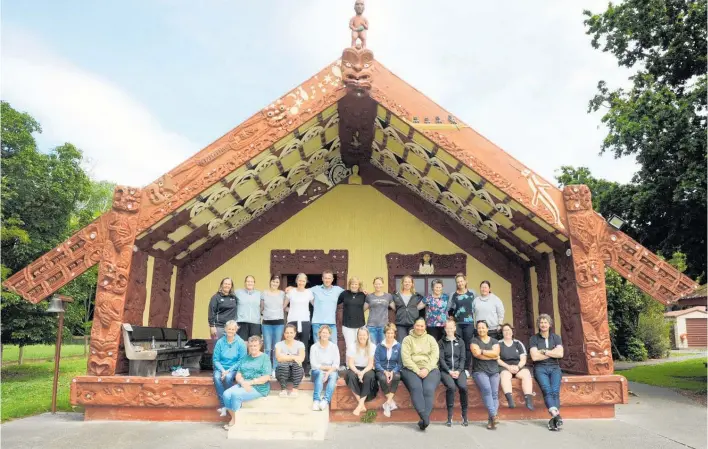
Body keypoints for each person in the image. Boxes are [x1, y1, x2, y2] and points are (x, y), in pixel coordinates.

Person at [222, 335, 271, 430]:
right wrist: (243, 383)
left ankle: (236, 423)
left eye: (255, 345)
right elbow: (238, 375)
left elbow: (266, 377)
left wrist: (250, 383)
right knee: (226, 394)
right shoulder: (245, 358)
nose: (253, 348)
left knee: (236, 394)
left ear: (260, 346)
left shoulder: (264, 358)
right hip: (244, 384)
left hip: (258, 387)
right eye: (251, 345)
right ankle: (234, 418)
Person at [400, 317, 441, 431]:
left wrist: (427, 369)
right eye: (417, 325)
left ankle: (424, 420)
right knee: (416, 388)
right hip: (411, 369)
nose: (419, 328)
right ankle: (425, 419)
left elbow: (435, 356)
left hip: (430, 368)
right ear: (414, 326)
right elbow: (406, 358)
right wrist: (417, 370)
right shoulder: (407, 339)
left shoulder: (431, 339)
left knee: (428, 389)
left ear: (425, 327)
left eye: (422, 326)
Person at [529, 314, 564, 431]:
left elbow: (560, 354)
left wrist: (543, 351)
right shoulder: (534, 339)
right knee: (547, 390)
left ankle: (555, 419)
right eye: (541, 322)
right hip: (540, 368)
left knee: (555, 391)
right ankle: (556, 416)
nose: (543, 324)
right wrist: (551, 352)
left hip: (555, 367)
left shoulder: (556, 337)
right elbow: (534, 357)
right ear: (538, 325)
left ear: (550, 324)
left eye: (545, 322)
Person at [212, 320, 247, 417]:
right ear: (225, 329)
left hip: (233, 368)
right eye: (229, 329)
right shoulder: (220, 342)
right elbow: (216, 360)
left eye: (233, 329)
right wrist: (223, 370)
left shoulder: (240, 343)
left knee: (227, 378)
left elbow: (242, 360)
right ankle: (224, 406)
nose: (230, 331)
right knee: (216, 377)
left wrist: (228, 371)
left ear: (236, 330)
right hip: (221, 368)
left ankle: (229, 403)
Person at [470, 320, 501, 430]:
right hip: (480, 371)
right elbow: (476, 354)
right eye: (479, 328)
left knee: (495, 393)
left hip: (494, 371)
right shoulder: (474, 340)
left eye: (483, 327)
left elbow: (496, 353)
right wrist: (491, 355)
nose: (481, 329)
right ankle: (494, 416)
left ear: (487, 329)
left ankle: (491, 418)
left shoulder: (494, 341)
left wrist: (482, 352)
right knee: (487, 389)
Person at [438, 318, 468, 427]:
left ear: (455, 328)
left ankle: (464, 416)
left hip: (459, 371)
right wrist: (449, 371)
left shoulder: (460, 342)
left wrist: (459, 371)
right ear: (445, 329)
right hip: (446, 371)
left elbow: (463, 358)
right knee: (451, 387)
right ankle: (449, 417)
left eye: (451, 328)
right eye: (447, 328)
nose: (449, 330)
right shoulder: (441, 342)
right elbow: (441, 359)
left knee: (463, 387)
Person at [497, 323, 534, 410]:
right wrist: (508, 367)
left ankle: (528, 400)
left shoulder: (518, 343)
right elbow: (497, 359)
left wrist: (518, 367)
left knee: (526, 374)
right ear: (502, 332)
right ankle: (510, 401)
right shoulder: (498, 344)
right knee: (504, 375)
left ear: (512, 332)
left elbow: (523, 359)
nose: (507, 332)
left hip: (518, 366)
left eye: (509, 330)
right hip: (504, 366)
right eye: (504, 330)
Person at [283, 273, 314, 372]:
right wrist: (291, 310)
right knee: (292, 344)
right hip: (292, 321)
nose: (301, 282)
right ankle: (291, 368)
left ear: (306, 282)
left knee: (303, 345)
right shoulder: (291, 292)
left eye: (303, 281)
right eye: (299, 280)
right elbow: (284, 306)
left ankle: (304, 369)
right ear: (296, 281)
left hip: (305, 321)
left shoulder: (309, 292)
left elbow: (316, 305)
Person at [448, 273, 477, 374]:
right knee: (458, 345)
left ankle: (465, 368)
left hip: (469, 323)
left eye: (461, 281)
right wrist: (451, 318)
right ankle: (457, 366)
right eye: (458, 282)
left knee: (468, 346)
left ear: (465, 282)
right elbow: (450, 309)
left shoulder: (472, 293)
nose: (460, 283)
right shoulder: (453, 295)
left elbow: (476, 308)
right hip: (458, 324)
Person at [345, 327, 377, 416]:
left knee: (369, 376)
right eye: (360, 335)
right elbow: (350, 364)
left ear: (367, 336)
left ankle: (359, 406)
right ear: (357, 336)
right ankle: (361, 404)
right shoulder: (352, 346)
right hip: (355, 367)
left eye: (364, 335)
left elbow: (371, 364)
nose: (362, 337)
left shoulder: (372, 346)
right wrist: (358, 372)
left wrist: (362, 372)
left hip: (367, 368)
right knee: (350, 376)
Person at [310, 325, 340, 411]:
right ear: (319, 334)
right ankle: (316, 400)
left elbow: (336, 364)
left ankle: (325, 400)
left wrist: (328, 372)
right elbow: (314, 365)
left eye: (326, 333)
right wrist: (327, 368)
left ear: (329, 335)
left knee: (333, 376)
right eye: (323, 333)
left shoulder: (334, 347)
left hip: (330, 371)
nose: (324, 335)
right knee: (319, 373)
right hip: (317, 371)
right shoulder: (314, 347)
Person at [374, 323, 402, 417]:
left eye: (391, 333)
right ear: (384, 334)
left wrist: (392, 371)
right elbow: (377, 363)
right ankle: (391, 402)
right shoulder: (379, 346)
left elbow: (400, 363)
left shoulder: (398, 346)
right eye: (387, 333)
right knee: (382, 379)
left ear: (394, 334)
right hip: (382, 370)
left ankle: (387, 403)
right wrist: (385, 371)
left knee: (397, 376)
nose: (389, 335)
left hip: (394, 369)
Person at [310, 270, 344, 346]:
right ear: (322, 278)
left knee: (333, 346)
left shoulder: (337, 289)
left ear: (332, 279)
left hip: (331, 323)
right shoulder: (315, 289)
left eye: (329, 278)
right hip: (317, 323)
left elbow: (349, 294)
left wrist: (362, 292)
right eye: (325, 278)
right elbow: (302, 291)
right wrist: (291, 287)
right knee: (318, 346)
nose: (327, 280)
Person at [261, 275, 285, 378]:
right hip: (266, 322)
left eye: (277, 282)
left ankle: (275, 368)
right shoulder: (264, 293)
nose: (275, 284)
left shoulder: (282, 293)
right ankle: (267, 369)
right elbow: (261, 307)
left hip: (279, 323)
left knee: (276, 347)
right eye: (273, 282)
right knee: (267, 348)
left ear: (279, 284)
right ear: (270, 282)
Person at [275, 324, 306, 397]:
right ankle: (283, 390)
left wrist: (286, 357)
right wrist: (294, 357)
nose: (289, 335)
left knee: (297, 365)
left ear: (295, 333)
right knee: (283, 365)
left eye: (291, 332)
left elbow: (301, 358)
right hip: (282, 373)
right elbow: (279, 358)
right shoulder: (279, 344)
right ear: (284, 333)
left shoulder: (300, 344)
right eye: (287, 333)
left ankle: (295, 390)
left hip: (295, 374)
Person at [392, 275, 425, 343]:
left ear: (412, 284)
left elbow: (422, 305)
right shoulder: (395, 296)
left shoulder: (417, 296)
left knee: (413, 344)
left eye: (409, 282)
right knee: (401, 344)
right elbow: (391, 304)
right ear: (402, 283)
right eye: (405, 282)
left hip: (413, 324)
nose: (407, 283)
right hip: (400, 324)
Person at [338, 277, 367, 355]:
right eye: (352, 284)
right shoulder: (344, 294)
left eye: (356, 284)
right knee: (349, 346)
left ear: (359, 285)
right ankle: (349, 364)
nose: (354, 286)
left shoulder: (363, 295)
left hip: (360, 325)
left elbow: (370, 303)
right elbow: (335, 302)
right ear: (349, 285)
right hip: (347, 325)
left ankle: (359, 363)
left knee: (361, 344)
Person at [365, 277, 394, 345]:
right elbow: (362, 309)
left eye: (379, 284)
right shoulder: (369, 296)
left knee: (383, 347)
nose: (378, 285)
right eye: (376, 284)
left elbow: (395, 308)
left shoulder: (388, 296)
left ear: (383, 284)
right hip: (371, 326)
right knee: (372, 348)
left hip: (383, 326)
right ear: (373, 285)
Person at [235, 275, 262, 340]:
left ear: (254, 283)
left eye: (251, 281)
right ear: (245, 283)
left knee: (254, 344)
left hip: (255, 323)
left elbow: (263, 306)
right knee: (243, 344)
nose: (250, 283)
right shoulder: (237, 293)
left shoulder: (259, 294)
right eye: (248, 281)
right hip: (242, 323)